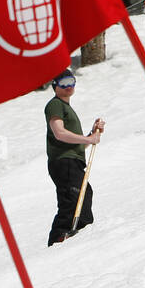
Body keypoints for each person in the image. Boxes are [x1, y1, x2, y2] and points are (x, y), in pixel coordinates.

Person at [45, 67, 104, 247]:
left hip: (72, 160)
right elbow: (59, 133)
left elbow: (74, 143)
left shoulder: (66, 107)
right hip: (64, 161)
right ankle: (61, 238)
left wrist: (91, 135)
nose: (69, 86)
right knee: (74, 197)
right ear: (55, 86)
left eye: (71, 82)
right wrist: (88, 138)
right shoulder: (55, 105)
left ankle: (77, 234)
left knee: (83, 194)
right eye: (63, 83)